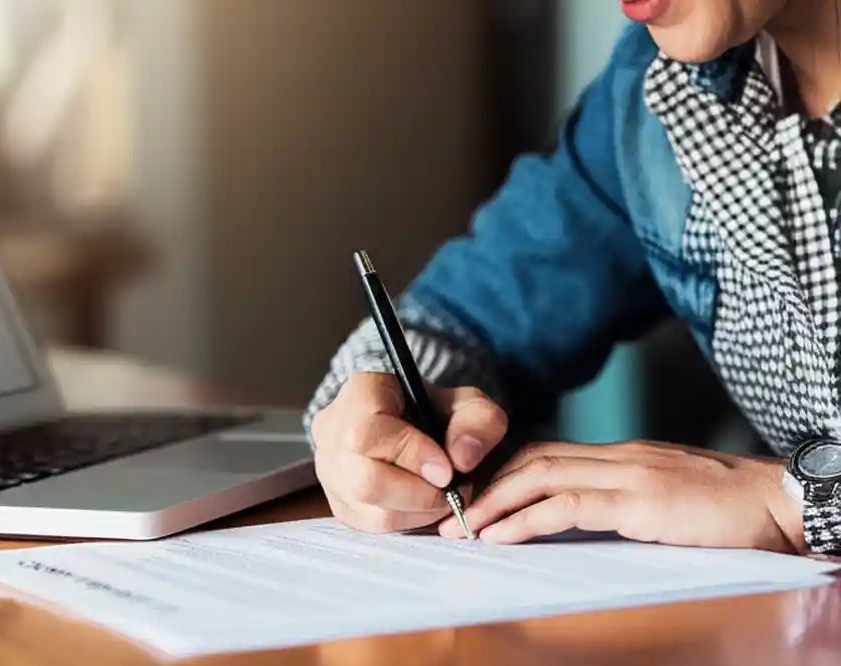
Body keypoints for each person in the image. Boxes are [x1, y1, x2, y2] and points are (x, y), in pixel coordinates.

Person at [307, 0, 841, 556]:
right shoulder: (651, 93)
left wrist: (797, 502)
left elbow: (790, 504)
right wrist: (371, 421)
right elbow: (465, 317)